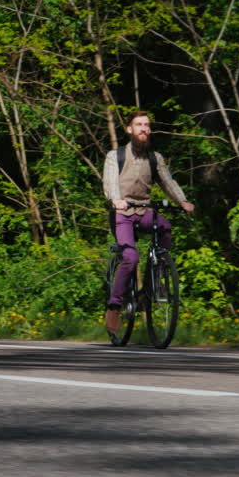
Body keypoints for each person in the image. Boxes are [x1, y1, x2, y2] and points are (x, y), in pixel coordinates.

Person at [101, 111, 195, 339]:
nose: (144, 128)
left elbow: (167, 181)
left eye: (147, 125)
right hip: (122, 213)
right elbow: (110, 181)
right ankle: (114, 307)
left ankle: (153, 283)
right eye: (139, 125)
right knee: (131, 257)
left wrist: (181, 200)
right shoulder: (116, 156)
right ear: (129, 129)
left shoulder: (155, 158)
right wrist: (115, 199)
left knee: (165, 227)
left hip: (145, 210)